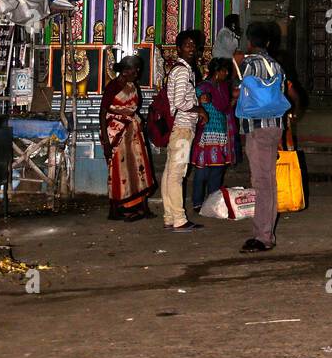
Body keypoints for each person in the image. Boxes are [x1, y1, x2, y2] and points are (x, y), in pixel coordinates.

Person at [237, 22, 291, 253]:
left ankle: (263, 237)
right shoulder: (277, 66)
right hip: (274, 127)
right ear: (268, 42)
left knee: (262, 183)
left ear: (249, 42)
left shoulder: (248, 64)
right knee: (267, 181)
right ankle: (265, 233)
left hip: (256, 127)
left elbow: (239, 93)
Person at [99, 54, 156, 222]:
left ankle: (142, 207)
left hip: (132, 133)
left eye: (138, 69)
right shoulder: (113, 86)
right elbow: (102, 113)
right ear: (124, 71)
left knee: (139, 168)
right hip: (115, 133)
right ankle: (117, 209)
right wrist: (107, 143)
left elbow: (132, 109)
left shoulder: (133, 86)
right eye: (134, 70)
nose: (137, 73)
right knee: (118, 171)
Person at [160, 32, 204, 231]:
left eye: (193, 45)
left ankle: (169, 216)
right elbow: (179, 102)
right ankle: (179, 219)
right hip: (182, 128)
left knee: (170, 171)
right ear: (178, 49)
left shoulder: (181, 70)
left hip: (178, 127)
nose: (191, 48)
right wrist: (199, 109)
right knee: (177, 173)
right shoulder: (183, 71)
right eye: (187, 45)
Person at [191, 58, 238, 211]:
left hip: (221, 133)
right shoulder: (203, 87)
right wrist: (200, 101)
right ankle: (198, 203)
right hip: (206, 134)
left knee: (218, 170)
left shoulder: (223, 87)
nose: (227, 73)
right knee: (202, 171)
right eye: (224, 71)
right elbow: (191, 103)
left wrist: (234, 100)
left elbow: (225, 108)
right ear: (216, 72)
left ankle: (212, 202)